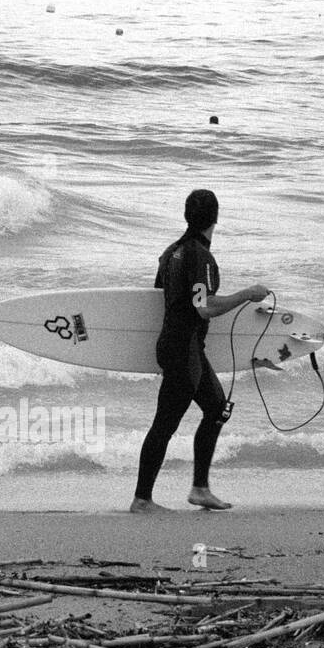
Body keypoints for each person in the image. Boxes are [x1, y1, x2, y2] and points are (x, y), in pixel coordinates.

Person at [131, 190, 269, 513]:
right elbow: (204, 307)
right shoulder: (200, 256)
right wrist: (247, 294)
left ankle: (200, 488)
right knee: (164, 424)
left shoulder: (171, 253)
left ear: (186, 216)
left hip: (182, 346)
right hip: (182, 351)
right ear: (216, 218)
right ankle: (141, 499)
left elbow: (158, 299)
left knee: (217, 408)